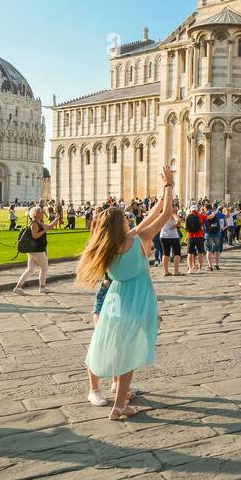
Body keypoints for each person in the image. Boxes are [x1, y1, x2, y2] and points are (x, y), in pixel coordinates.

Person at [77, 164, 172, 420]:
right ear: (122, 224)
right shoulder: (138, 239)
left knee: (117, 345)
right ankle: (119, 405)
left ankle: (112, 392)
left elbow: (153, 213)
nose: (130, 219)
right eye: (126, 218)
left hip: (114, 300)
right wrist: (168, 185)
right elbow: (165, 214)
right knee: (130, 349)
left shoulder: (106, 247)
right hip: (138, 298)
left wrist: (163, 192)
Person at [13, 205, 50, 294]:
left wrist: (55, 221)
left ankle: (18, 287)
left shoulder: (38, 223)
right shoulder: (34, 224)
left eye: (41, 212)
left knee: (30, 269)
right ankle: (42, 287)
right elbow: (35, 236)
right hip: (37, 249)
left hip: (34, 249)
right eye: (40, 212)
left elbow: (48, 227)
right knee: (45, 267)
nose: (42, 213)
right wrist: (44, 230)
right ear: (35, 214)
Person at [159, 205, 182, 276]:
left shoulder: (161, 214)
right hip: (173, 236)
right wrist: (176, 225)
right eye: (174, 207)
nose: (175, 208)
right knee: (177, 253)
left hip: (163, 235)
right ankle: (176, 271)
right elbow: (178, 220)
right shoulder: (172, 214)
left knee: (165, 253)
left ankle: (165, 271)